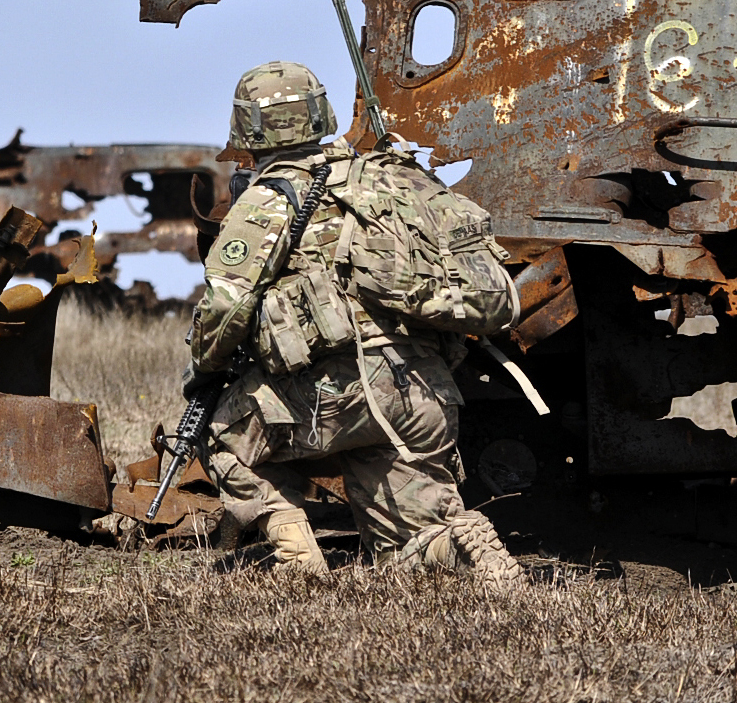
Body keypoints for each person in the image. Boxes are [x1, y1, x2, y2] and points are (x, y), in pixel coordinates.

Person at [185, 61, 522, 582]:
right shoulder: (390, 179)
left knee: (217, 430)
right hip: (424, 396)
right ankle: (454, 546)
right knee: (405, 552)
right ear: (322, 112)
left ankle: (295, 553)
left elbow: (225, 308)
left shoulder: (269, 199)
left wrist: (204, 370)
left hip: (334, 395)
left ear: (247, 127)